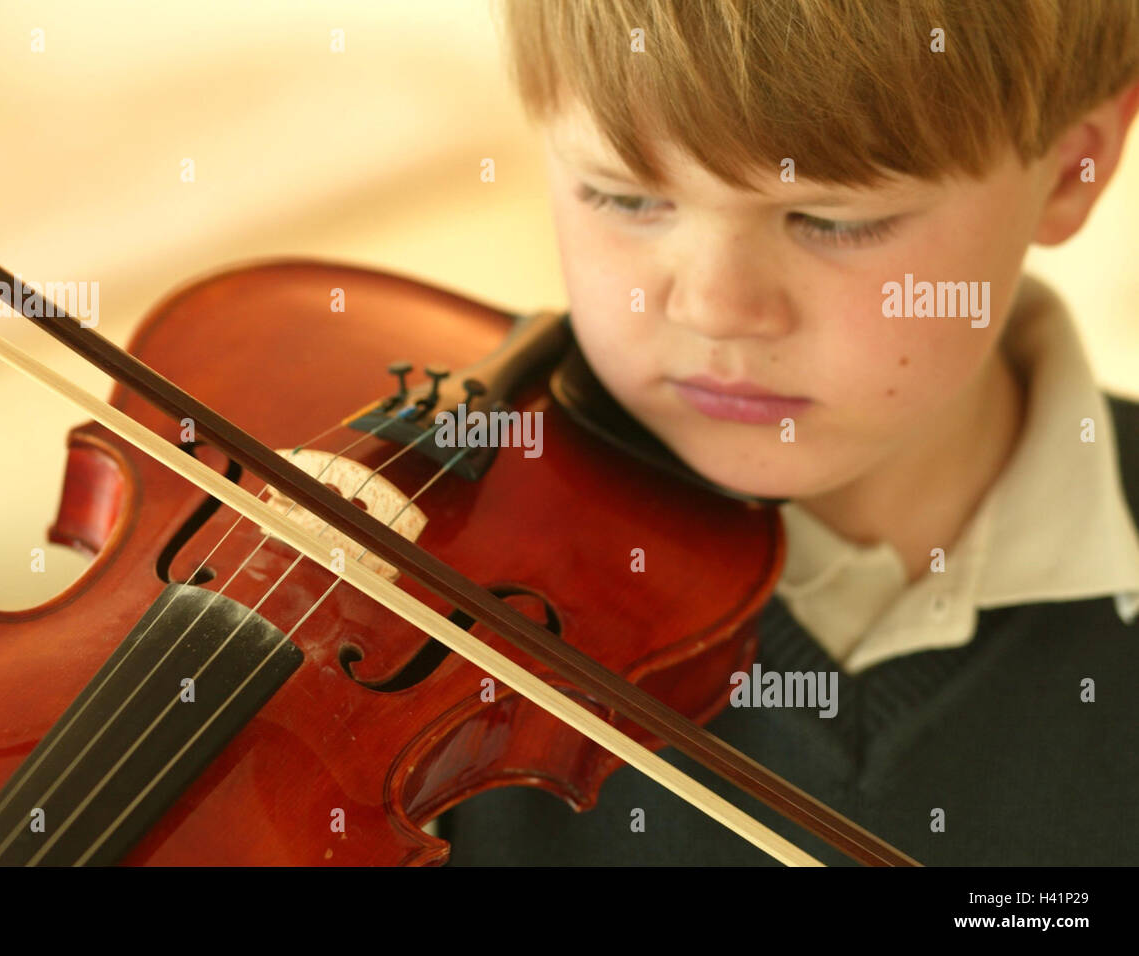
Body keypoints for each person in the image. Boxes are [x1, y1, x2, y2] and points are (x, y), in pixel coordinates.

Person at [436, 0, 1139, 865]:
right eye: (621, 196)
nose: (716, 310)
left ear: (1074, 169)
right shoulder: (444, 561)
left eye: (834, 221)